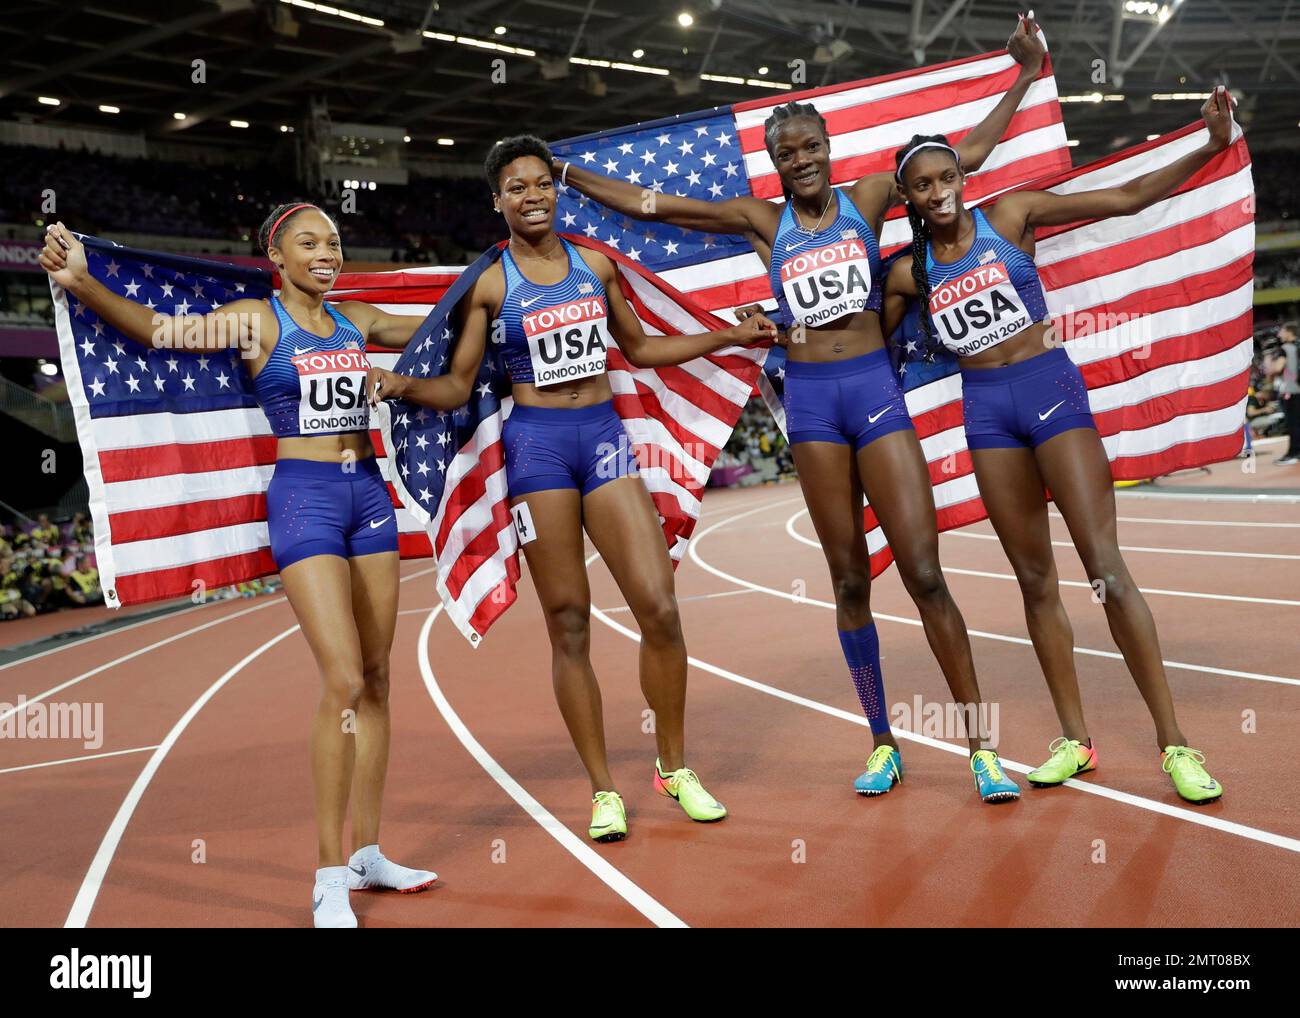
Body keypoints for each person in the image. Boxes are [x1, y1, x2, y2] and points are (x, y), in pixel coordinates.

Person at [552, 16, 1050, 802]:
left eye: (810, 147)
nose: (802, 160)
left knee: (923, 572)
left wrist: (1023, 77)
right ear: (777, 165)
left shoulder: (872, 196)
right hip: (813, 405)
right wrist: (571, 180)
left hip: (875, 395)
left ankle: (980, 748)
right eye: (788, 154)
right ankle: (883, 741)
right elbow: (659, 207)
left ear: (827, 148)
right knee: (850, 580)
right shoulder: (762, 219)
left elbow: (969, 158)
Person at [366, 135, 777, 841]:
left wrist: (726, 337)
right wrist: (402, 384)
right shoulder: (490, 285)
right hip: (537, 452)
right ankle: (602, 791)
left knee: (659, 606)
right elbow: (461, 384)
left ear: (557, 192)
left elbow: (642, 349)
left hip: (605, 441)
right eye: (517, 188)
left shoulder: (594, 264)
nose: (532, 196)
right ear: (497, 202)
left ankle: (673, 767)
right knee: (570, 623)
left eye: (541, 184)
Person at [40, 204, 437, 927]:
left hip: (370, 499)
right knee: (344, 679)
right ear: (276, 258)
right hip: (304, 501)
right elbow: (163, 332)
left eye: (335, 242)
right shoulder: (257, 321)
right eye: (308, 243)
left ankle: (369, 853)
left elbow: (451, 331)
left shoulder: (360, 321)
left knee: (379, 680)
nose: (327, 253)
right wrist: (82, 282)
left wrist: (516, 274)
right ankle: (327, 876)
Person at [882, 88, 1236, 804]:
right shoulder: (907, 274)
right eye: (925, 186)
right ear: (908, 197)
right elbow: (858, 347)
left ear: (962, 178)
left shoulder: (1010, 216)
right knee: (1035, 581)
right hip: (985, 417)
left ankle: (1176, 745)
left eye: (948, 178)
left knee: (1104, 565)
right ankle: (1075, 740)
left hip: (1051, 393)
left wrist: (1210, 143)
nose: (941, 193)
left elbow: (1126, 197)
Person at [1270, 324, 1299, 465]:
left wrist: (1269, 369)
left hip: (1289, 390)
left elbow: (1278, 368)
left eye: (1281, 331)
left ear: (1288, 333)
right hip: (1297, 388)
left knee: (1292, 424)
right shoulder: (1297, 347)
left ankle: (1293, 453)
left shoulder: (1284, 349)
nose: (1279, 334)